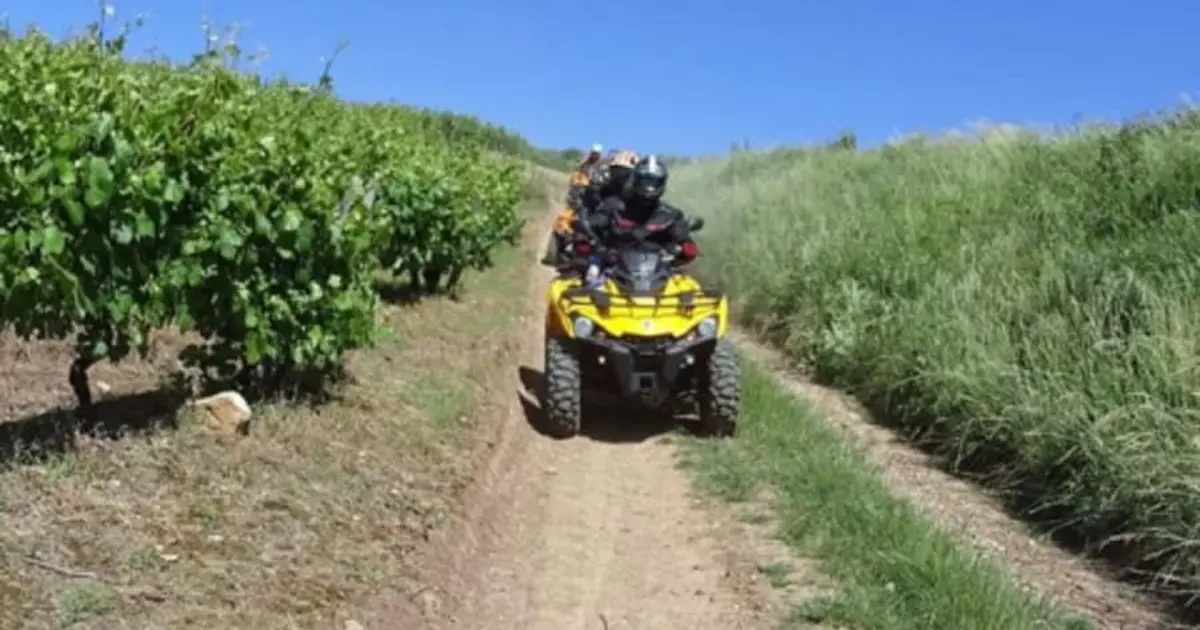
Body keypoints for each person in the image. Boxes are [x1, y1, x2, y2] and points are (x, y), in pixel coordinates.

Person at [582, 153, 698, 266]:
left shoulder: (670, 215)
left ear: (662, 183)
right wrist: (583, 233)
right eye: (645, 180)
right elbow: (593, 224)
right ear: (636, 180)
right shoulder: (614, 206)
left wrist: (687, 246)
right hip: (613, 268)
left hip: (658, 273)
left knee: (689, 284)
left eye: (654, 182)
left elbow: (683, 238)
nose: (649, 187)